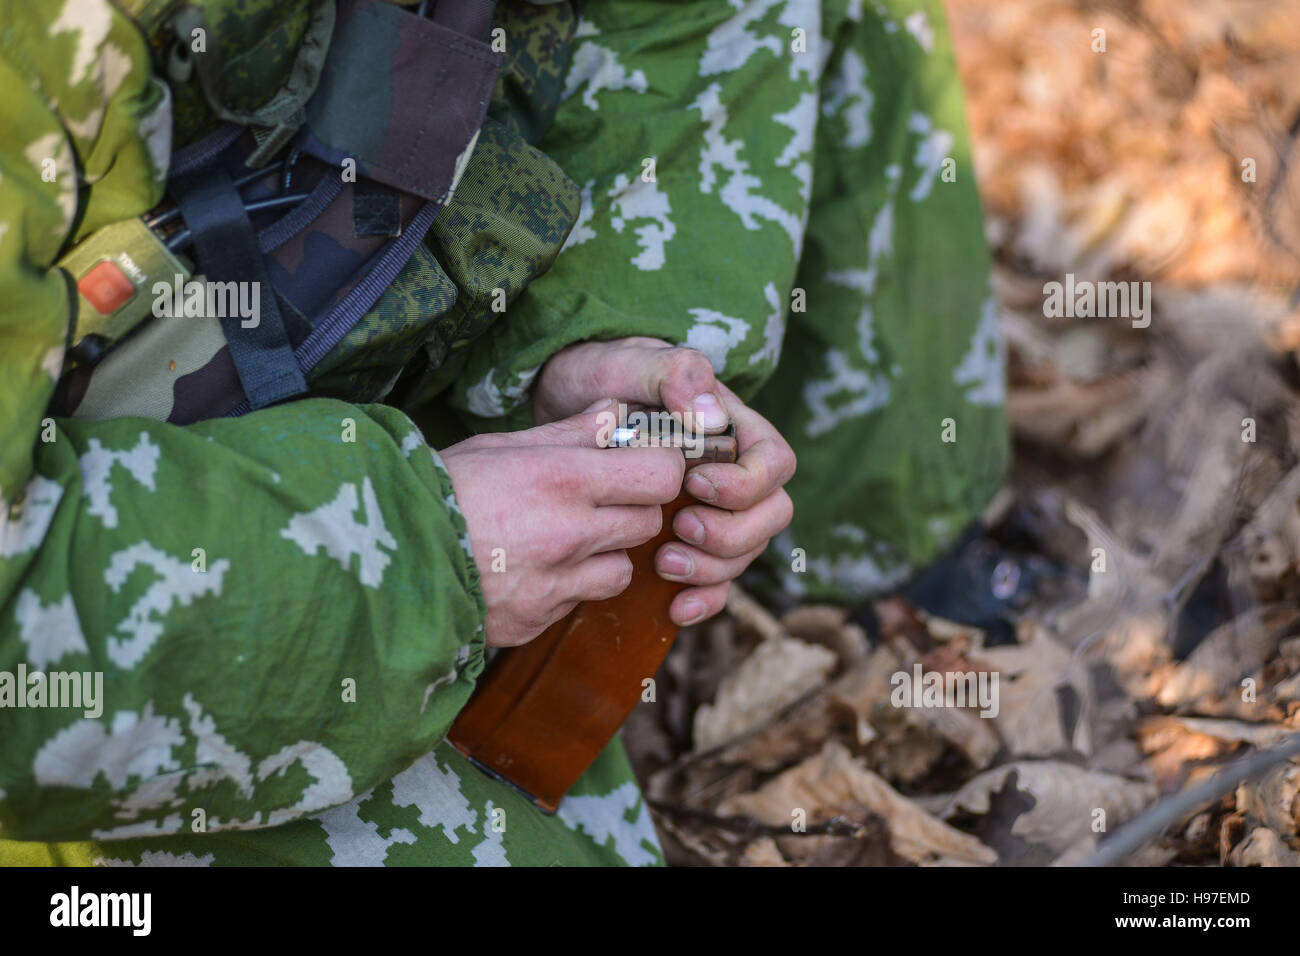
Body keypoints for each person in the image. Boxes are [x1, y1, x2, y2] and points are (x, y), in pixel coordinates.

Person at [0, 0, 1005, 865]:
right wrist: (422, 556)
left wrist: (596, 337)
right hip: (116, 644)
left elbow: (668, 28)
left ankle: (878, 566)